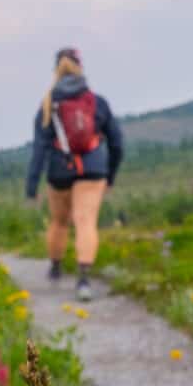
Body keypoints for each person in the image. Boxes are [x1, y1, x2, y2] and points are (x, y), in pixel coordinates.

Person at [25, 47, 123, 300]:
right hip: (93, 169)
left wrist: (32, 185)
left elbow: (39, 149)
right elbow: (117, 143)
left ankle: (56, 268)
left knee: (59, 222)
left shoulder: (49, 105)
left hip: (60, 170)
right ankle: (83, 280)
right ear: (81, 67)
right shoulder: (97, 103)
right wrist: (110, 175)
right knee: (85, 221)